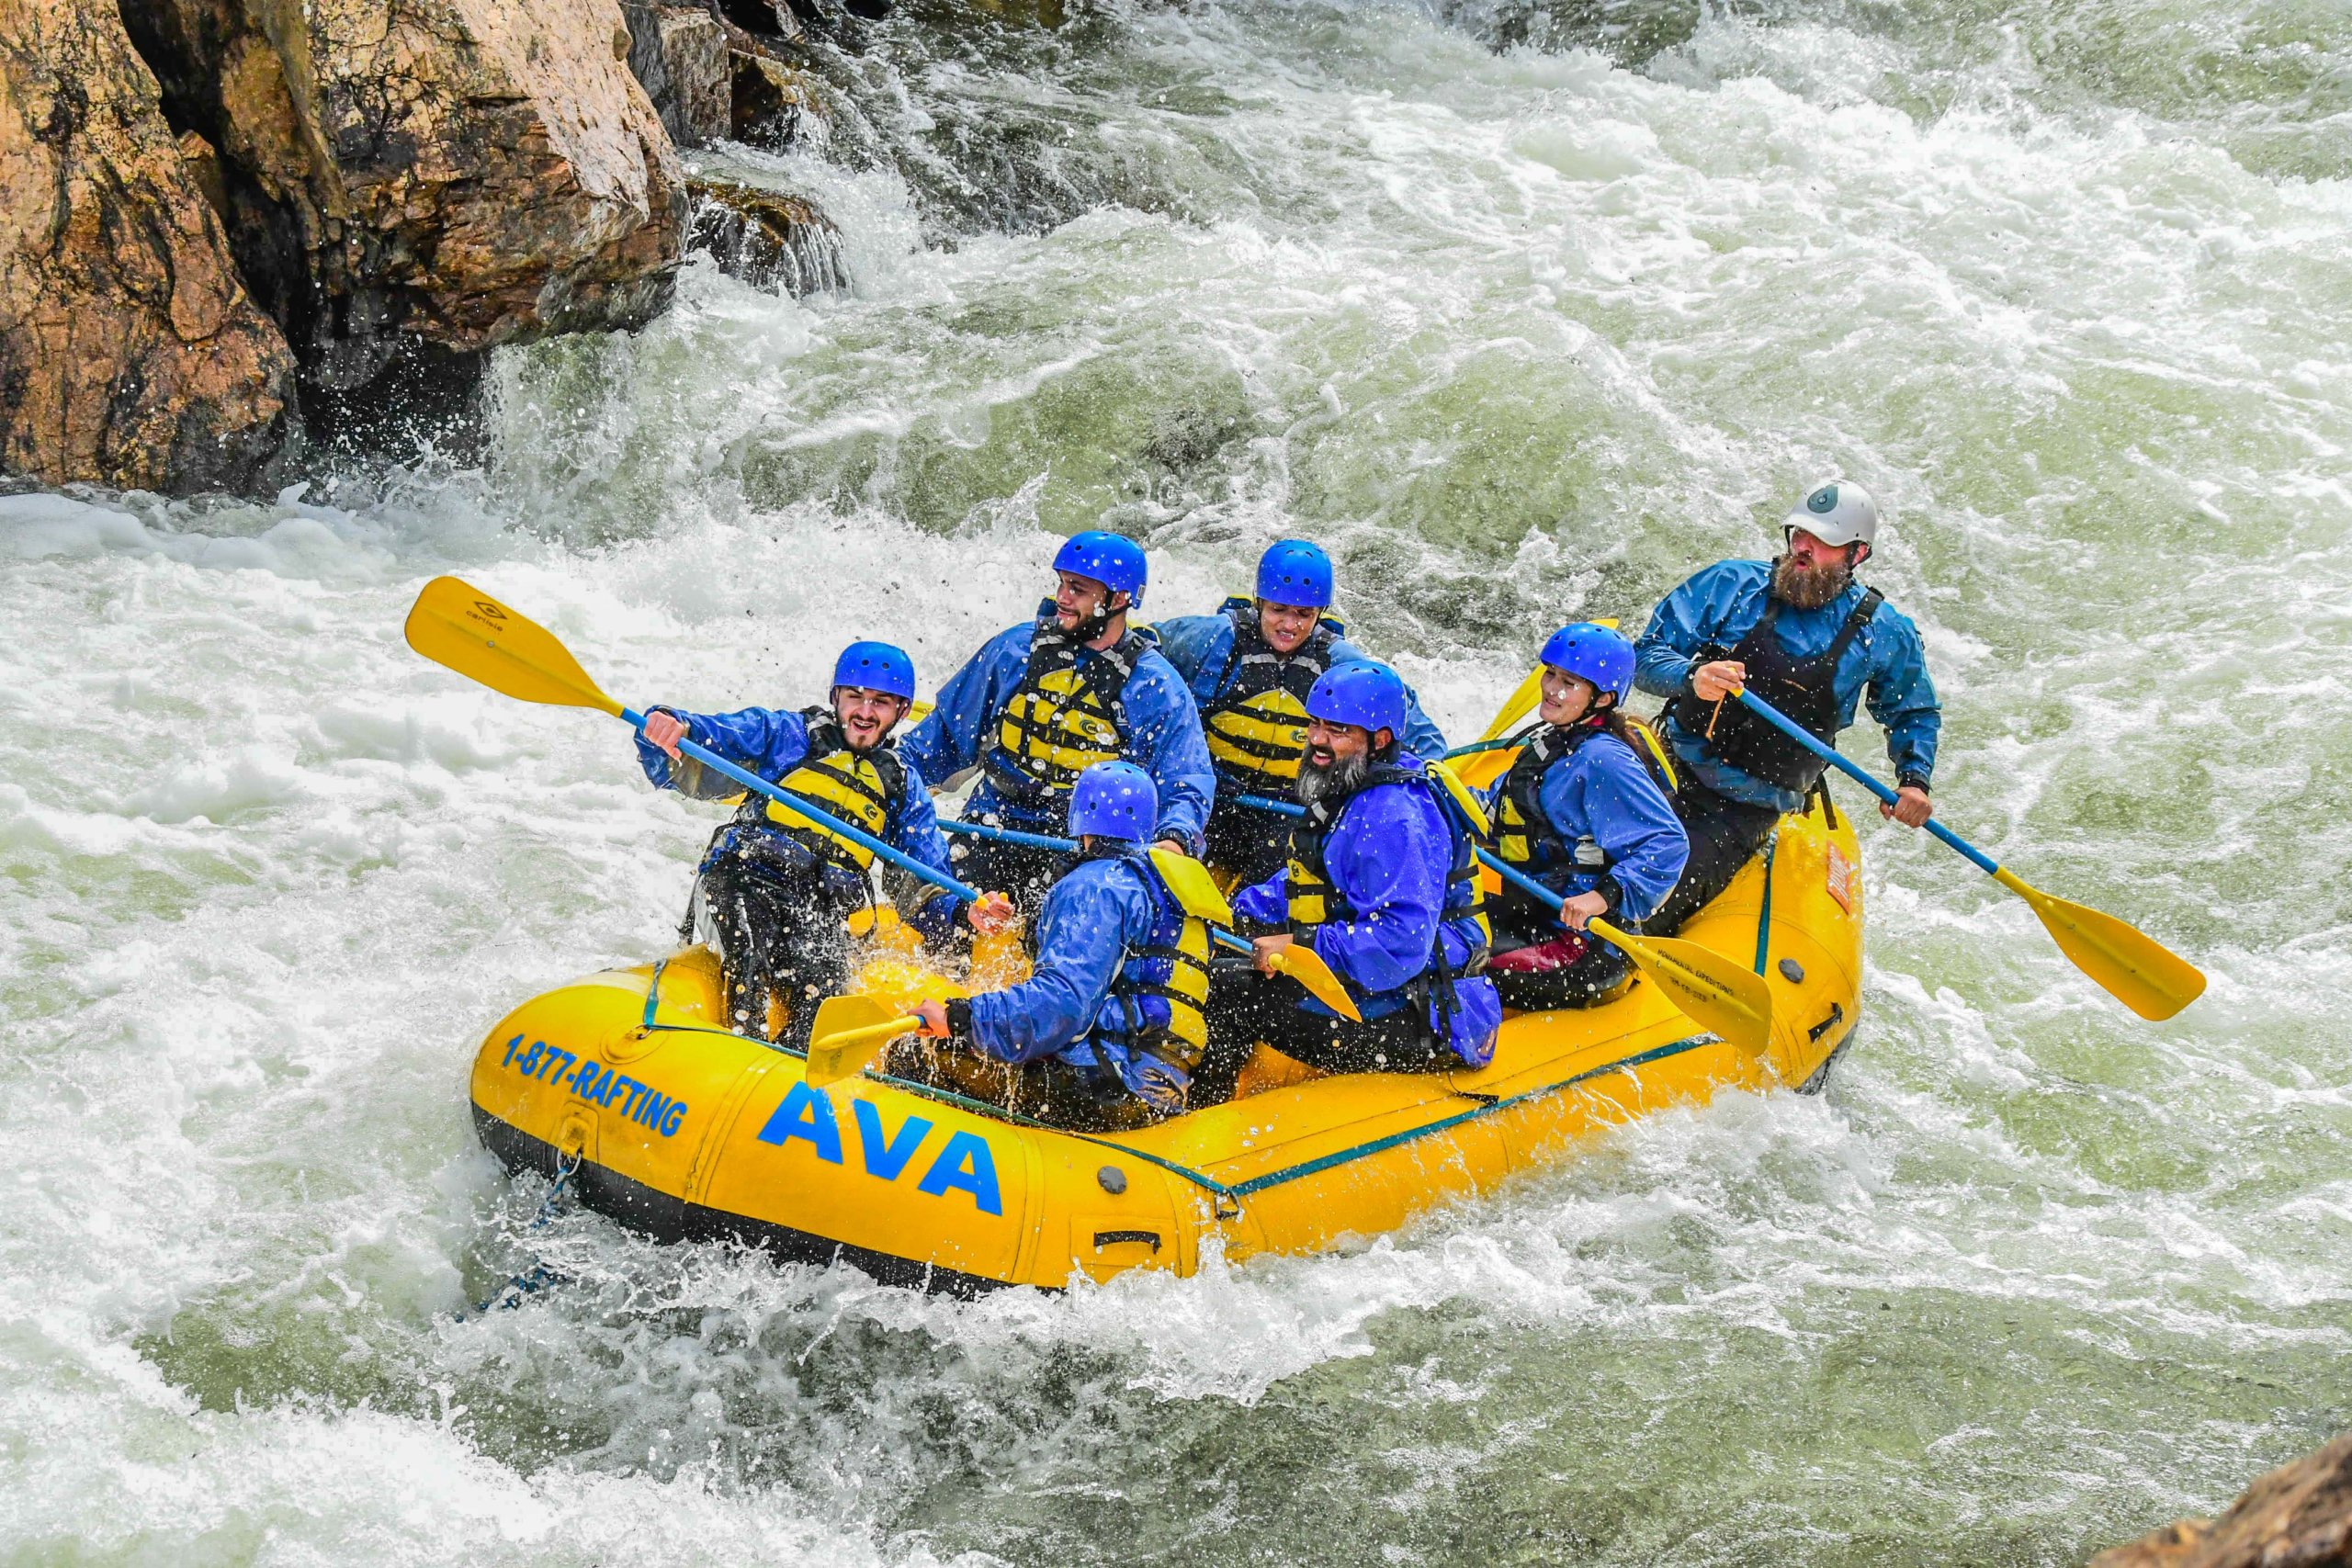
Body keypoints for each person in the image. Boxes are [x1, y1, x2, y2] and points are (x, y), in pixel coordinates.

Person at [636, 640, 1014, 1045]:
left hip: (816, 910)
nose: (865, 713)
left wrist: (963, 911)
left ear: (902, 711)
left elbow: (924, 873)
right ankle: (738, 1053)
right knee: (750, 962)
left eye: (881, 703)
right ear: (836, 697)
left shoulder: (902, 786)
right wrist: (673, 725)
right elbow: (715, 737)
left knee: (825, 997)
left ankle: (786, 1078)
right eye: (855, 698)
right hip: (742, 881)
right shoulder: (789, 735)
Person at [1633, 479, 1940, 934]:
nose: (1803, 548)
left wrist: (1914, 781)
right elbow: (1644, 655)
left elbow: (1911, 711)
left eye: (1823, 542)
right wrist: (1689, 676)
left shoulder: (1884, 632)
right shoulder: (1731, 584)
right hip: (1663, 765)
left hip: (1740, 810)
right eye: (1799, 534)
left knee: (1642, 904)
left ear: (1856, 554)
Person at [1203, 662, 1500, 1085]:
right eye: (1316, 724)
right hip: (1384, 985)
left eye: (1339, 731)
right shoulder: (1351, 782)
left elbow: (1402, 941)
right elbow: (1308, 883)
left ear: (1379, 740)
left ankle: (1197, 1118)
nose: (1319, 742)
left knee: (1227, 990)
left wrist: (1300, 944)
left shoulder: (1395, 817)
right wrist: (1228, 912)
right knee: (1214, 954)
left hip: (1423, 1013)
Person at [899, 530, 1216, 914]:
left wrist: (1174, 838)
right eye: (1062, 584)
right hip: (993, 822)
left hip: (1085, 841)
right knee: (935, 918)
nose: (1062, 598)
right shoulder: (1015, 649)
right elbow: (944, 737)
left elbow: (1184, 779)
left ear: (1118, 599)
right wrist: (891, 776)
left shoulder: (1154, 685)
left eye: (1078, 589)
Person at [900, 762, 1219, 1132]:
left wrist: (961, 1018)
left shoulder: (1095, 885)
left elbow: (1060, 1005)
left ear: (1080, 816)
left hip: (1106, 1085)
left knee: (919, 1055)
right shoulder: (1171, 891)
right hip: (1161, 1088)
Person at [1155, 538, 1448, 886]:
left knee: (1278, 869)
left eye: (1303, 615)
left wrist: (1430, 784)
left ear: (1319, 614)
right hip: (1212, 796)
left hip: (1288, 809)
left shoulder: (1339, 662)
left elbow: (1416, 732)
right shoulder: (1215, 638)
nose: (1289, 625)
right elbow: (1140, 650)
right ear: (1259, 602)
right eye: (1279, 609)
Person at [1483, 624, 1689, 1010]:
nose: (1551, 688)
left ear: (1603, 698)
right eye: (1550, 674)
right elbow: (1493, 806)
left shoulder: (1603, 760)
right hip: (1533, 913)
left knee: (1447, 957)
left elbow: (1667, 844)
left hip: (1583, 945)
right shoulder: (1550, 742)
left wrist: (1603, 896)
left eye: (1570, 683)